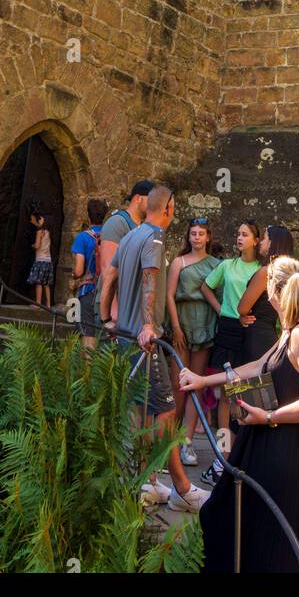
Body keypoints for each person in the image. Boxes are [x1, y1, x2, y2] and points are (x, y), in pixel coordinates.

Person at [181, 256, 299, 573]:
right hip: (274, 453)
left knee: (277, 549)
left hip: (293, 458)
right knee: (233, 522)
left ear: (271, 291)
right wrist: (202, 381)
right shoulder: (290, 331)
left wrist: (269, 417)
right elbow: (255, 368)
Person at [107, 184, 208, 513]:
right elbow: (150, 277)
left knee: (140, 411)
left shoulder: (130, 236)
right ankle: (181, 489)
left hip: (125, 336)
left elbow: (110, 275)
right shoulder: (153, 238)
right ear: (169, 208)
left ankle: (144, 483)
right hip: (145, 342)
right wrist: (149, 325)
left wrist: (109, 317)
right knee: (165, 410)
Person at [199, 222, 260, 483]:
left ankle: (243, 450)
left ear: (256, 241)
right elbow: (205, 287)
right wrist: (221, 308)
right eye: (237, 234)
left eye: (245, 234)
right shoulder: (227, 266)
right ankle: (222, 453)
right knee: (226, 391)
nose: (239, 238)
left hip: (251, 332)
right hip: (228, 327)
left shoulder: (261, 269)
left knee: (246, 390)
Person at [165, 216, 220, 465]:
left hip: (205, 323)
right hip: (183, 320)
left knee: (196, 384)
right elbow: (168, 295)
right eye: (193, 233)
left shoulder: (216, 265)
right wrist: (175, 327)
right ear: (188, 237)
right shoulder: (179, 262)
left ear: (208, 237)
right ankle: (169, 441)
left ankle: (187, 442)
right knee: (178, 384)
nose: (196, 237)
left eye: (201, 233)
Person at [96, 180, 153, 327]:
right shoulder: (117, 223)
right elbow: (107, 269)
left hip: (130, 310)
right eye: (151, 200)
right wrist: (111, 312)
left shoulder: (142, 228)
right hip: (114, 310)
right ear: (138, 198)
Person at [238, 225, 294, 361]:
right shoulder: (290, 272)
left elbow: (242, 308)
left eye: (265, 238)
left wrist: (242, 315)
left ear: (272, 243)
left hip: (258, 334)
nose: (261, 242)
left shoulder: (266, 272)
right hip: (272, 333)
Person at [70, 199, 107, 347]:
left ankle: (87, 370)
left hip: (88, 291)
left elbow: (79, 271)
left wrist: (74, 275)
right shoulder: (109, 236)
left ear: (88, 216)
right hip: (106, 292)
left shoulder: (83, 237)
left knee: (88, 336)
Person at [27, 212, 53, 308]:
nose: (39, 220)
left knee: (38, 283)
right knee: (46, 284)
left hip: (40, 260)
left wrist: (32, 245)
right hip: (48, 260)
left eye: (41, 219)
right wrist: (35, 223)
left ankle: (38, 303)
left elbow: (37, 245)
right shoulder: (48, 232)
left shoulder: (39, 232)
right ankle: (48, 305)